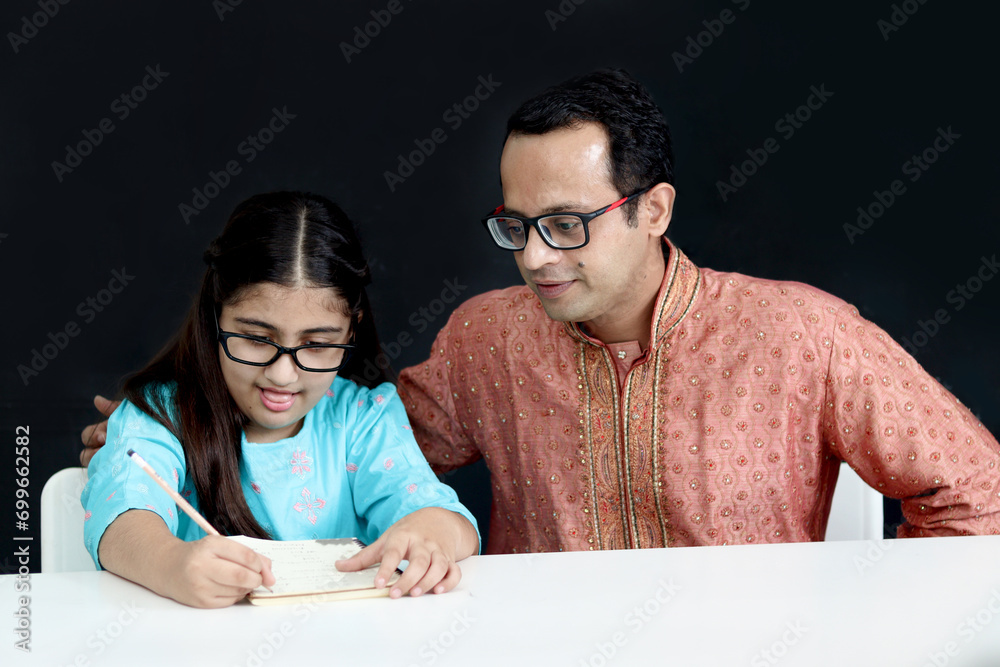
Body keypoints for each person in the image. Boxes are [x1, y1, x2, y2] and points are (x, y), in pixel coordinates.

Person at [84, 70, 1000, 556]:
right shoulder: (490, 336)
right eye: (516, 225)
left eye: (565, 225)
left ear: (655, 209)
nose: (534, 257)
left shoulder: (801, 334)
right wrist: (179, 424)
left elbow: (979, 495)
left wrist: (866, 613)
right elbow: (353, 437)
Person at [81, 191, 479, 608]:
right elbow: (121, 517)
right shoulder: (158, 415)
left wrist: (433, 531)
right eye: (255, 338)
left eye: (317, 344)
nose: (282, 374)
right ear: (216, 314)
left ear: (351, 330)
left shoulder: (365, 418)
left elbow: (443, 517)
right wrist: (171, 564)